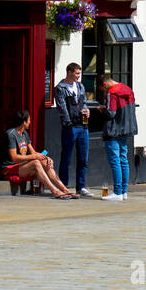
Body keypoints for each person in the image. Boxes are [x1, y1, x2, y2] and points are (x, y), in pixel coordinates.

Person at [4, 110, 76, 198]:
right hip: (10, 168)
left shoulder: (24, 134)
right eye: (29, 120)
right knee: (36, 163)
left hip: (23, 165)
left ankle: (64, 189)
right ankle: (54, 191)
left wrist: (45, 158)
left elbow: (33, 152)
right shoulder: (11, 134)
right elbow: (14, 158)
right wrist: (34, 157)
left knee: (45, 162)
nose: (30, 122)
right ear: (24, 122)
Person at [54, 63, 93, 197]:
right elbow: (62, 108)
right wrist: (69, 123)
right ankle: (63, 186)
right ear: (69, 72)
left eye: (79, 73)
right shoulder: (60, 88)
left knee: (83, 158)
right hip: (70, 127)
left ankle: (81, 186)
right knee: (67, 158)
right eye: (76, 73)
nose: (78, 76)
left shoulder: (80, 86)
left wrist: (87, 110)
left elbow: (84, 102)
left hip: (83, 126)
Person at [99, 73, 138, 201]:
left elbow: (111, 113)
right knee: (123, 159)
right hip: (126, 128)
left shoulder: (112, 92)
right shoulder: (127, 89)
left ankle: (117, 192)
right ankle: (123, 191)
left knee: (115, 161)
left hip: (113, 130)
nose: (104, 93)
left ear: (105, 84)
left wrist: (101, 109)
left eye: (103, 90)